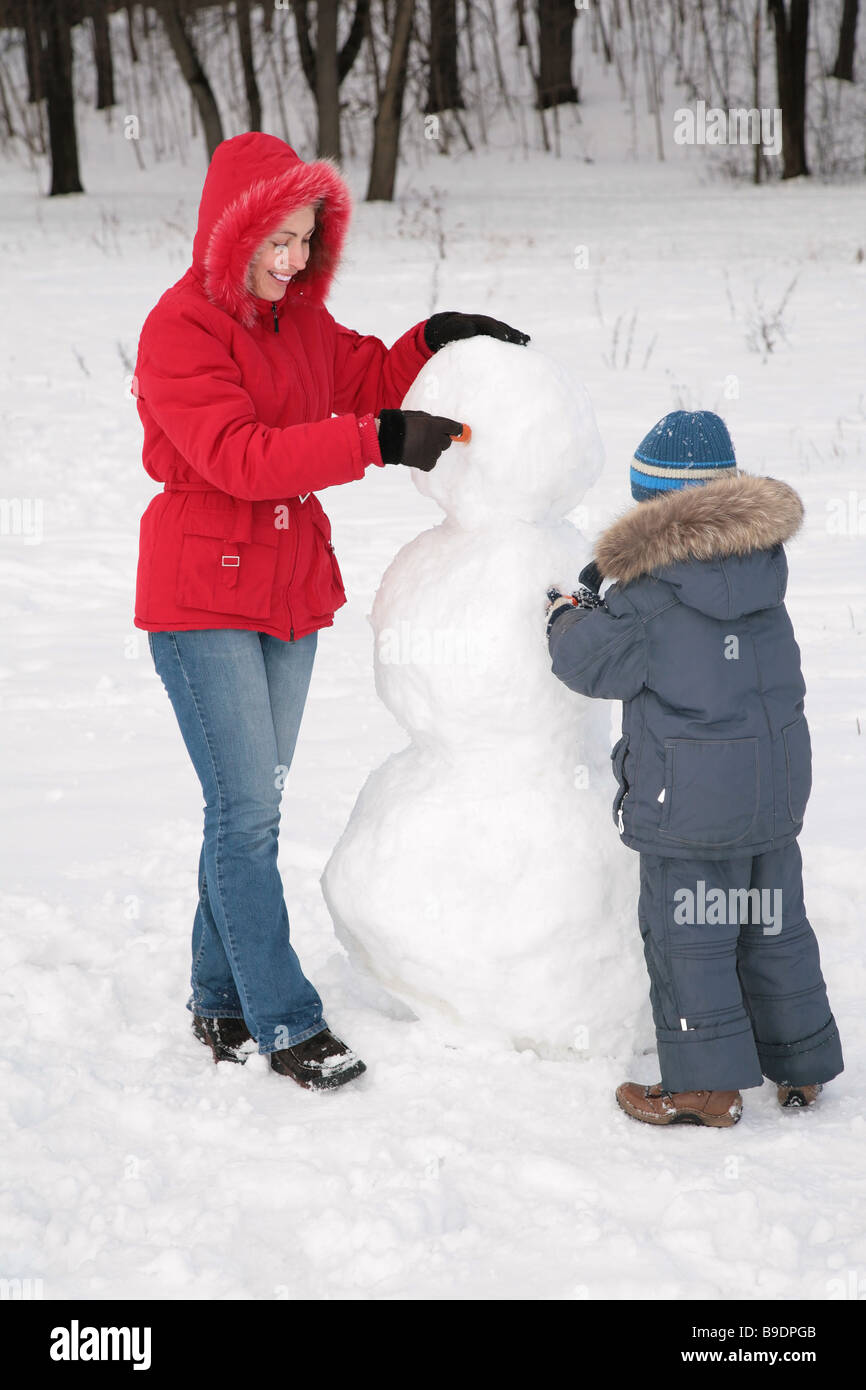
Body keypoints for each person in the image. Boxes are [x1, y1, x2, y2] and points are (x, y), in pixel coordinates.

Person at [132, 131, 528, 1090]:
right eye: (275, 240)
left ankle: (218, 998)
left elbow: (368, 382)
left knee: (246, 808)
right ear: (231, 234)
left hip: (288, 588)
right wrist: (377, 441)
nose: (293, 260)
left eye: (307, 239)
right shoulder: (180, 329)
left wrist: (431, 339)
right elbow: (240, 456)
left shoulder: (300, 320)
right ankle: (283, 1020)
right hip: (201, 590)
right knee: (246, 816)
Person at [545, 410, 843, 1127]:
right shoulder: (763, 571)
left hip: (692, 804)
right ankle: (800, 1066)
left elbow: (586, 663)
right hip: (772, 794)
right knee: (773, 925)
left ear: (657, 506)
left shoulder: (651, 593)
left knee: (692, 939)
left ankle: (705, 1090)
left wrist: (565, 613)